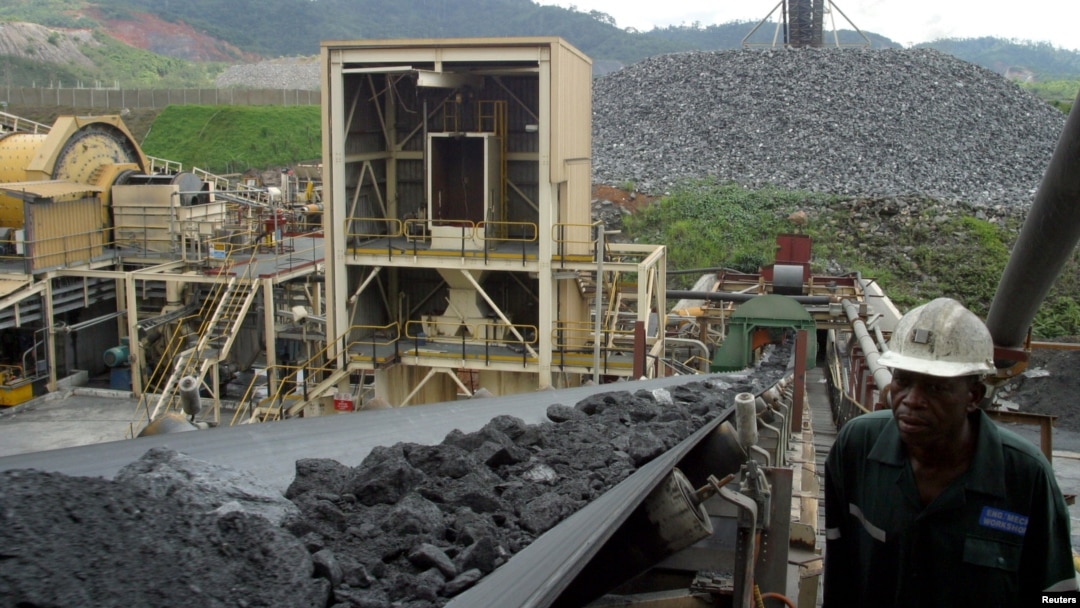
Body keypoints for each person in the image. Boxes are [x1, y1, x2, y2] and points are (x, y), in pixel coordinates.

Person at [823, 297, 1077, 606]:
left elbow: (1059, 595)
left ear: (973, 396)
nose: (911, 400)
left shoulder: (1025, 476)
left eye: (935, 387)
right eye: (902, 381)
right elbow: (839, 572)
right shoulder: (856, 448)